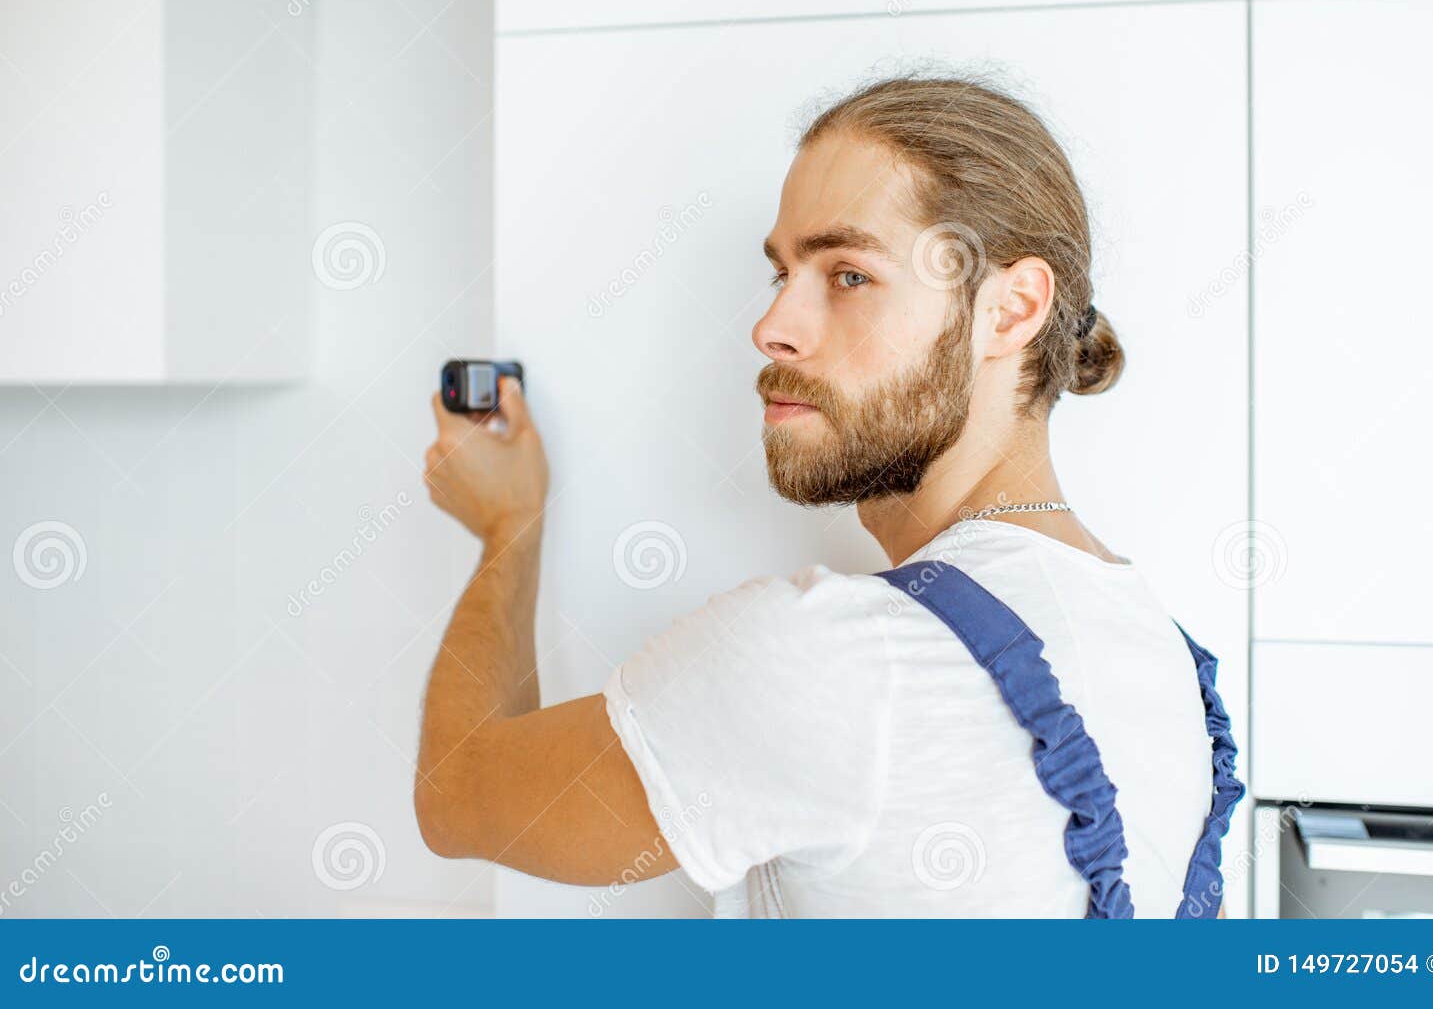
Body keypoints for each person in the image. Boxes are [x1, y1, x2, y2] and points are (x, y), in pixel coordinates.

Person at [414, 75, 1242, 917]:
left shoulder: (836, 656)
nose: (772, 326)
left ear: (1011, 309)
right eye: (782, 272)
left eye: (848, 275)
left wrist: (507, 529)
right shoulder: (1158, 653)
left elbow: (456, 795)